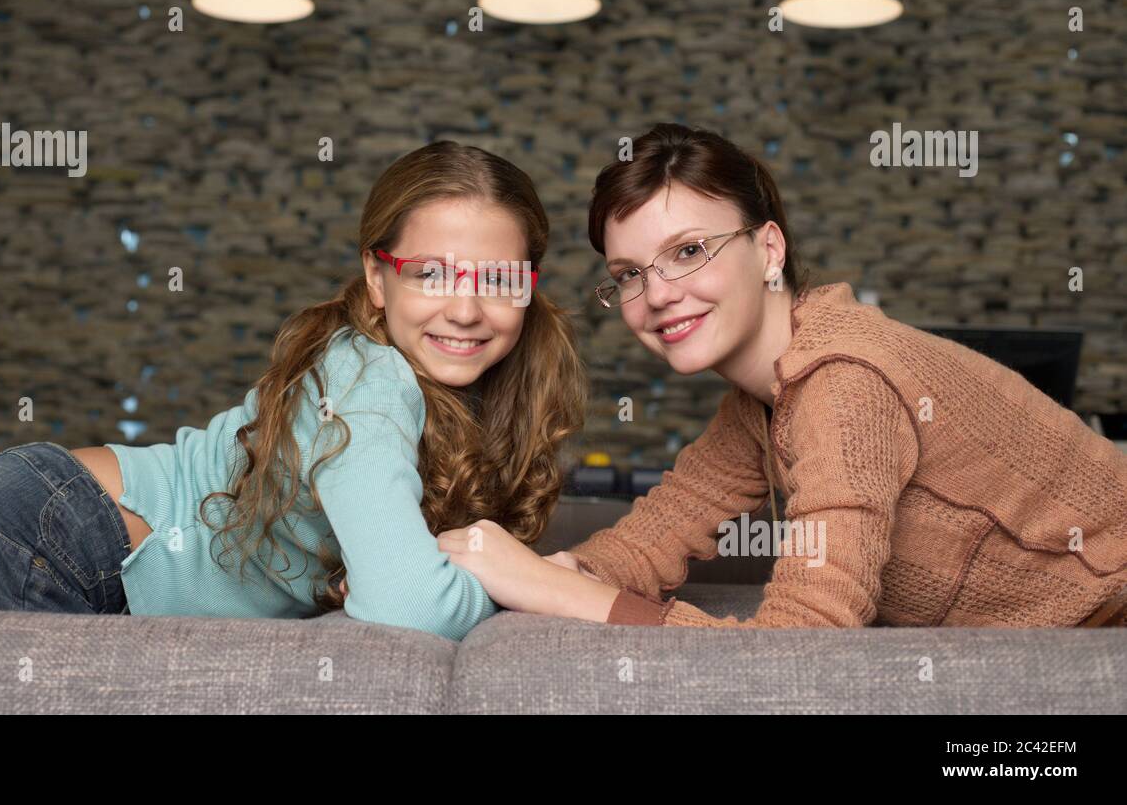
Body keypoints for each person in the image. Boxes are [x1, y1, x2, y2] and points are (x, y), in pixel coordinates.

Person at [440, 122, 1127, 628]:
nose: (656, 293)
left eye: (687, 251)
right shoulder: (764, 397)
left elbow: (799, 655)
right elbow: (643, 542)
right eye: (629, 275)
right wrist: (482, 573)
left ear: (768, 247)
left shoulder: (844, 380)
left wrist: (555, 589)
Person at [0, 141, 587, 642]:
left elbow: (392, 572)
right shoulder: (370, 380)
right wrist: (513, 586)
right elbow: (410, 605)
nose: (466, 309)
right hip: (37, 534)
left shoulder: (481, 388)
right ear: (378, 280)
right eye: (431, 273)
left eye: (496, 279)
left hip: (33, 520)